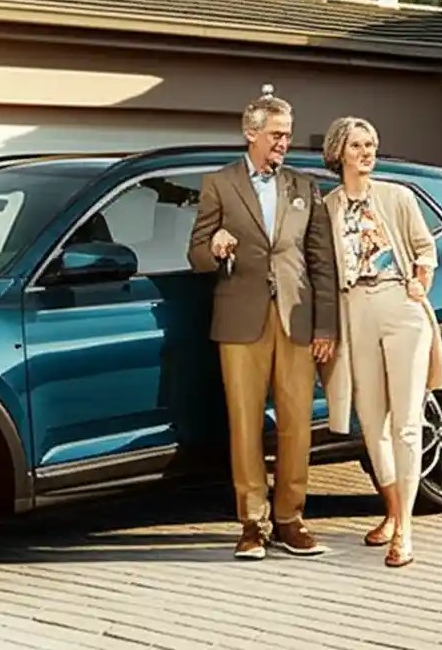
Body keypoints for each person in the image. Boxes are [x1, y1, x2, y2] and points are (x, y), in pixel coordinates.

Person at [187, 88, 339, 560]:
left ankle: (291, 519)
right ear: (250, 134)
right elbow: (194, 254)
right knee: (245, 425)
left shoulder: (304, 187)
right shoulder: (218, 183)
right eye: (275, 135)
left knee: (297, 424)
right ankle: (252, 524)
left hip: (296, 318)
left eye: (287, 136)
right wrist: (214, 248)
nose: (283, 143)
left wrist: (326, 327)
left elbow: (322, 260)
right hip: (239, 318)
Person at [317, 116, 442, 568]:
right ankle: (393, 511)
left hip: (400, 307)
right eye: (358, 145)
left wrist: (421, 280)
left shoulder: (398, 196)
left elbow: (425, 247)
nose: (367, 152)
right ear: (339, 152)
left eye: (371, 144)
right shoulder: (327, 207)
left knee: (407, 423)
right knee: (371, 422)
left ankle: (405, 530)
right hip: (354, 311)